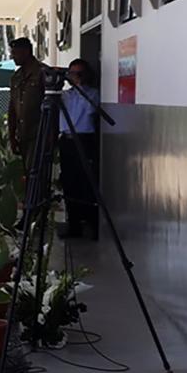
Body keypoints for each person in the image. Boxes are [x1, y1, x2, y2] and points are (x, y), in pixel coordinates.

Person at [58, 58, 100, 240]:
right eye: (73, 73)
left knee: (87, 182)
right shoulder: (65, 96)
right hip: (67, 141)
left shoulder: (93, 94)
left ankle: (91, 223)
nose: (76, 77)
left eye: (80, 73)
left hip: (85, 140)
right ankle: (73, 224)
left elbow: (91, 111)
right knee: (69, 182)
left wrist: (81, 85)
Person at [8, 37, 46, 173]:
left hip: (39, 134)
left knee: (37, 173)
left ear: (26, 52)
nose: (13, 57)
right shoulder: (16, 77)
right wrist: (11, 136)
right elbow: (12, 107)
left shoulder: (43, 73)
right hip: (22, 134)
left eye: (15, 53)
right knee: (26, 173)